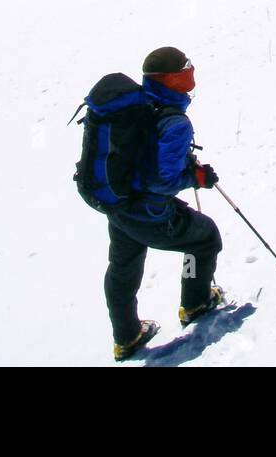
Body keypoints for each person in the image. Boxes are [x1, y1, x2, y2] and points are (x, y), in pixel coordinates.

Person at [74, 46, 224, 361]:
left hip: (118, 206)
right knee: (204, 238)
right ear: (171, 79)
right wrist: (195, 178)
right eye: (186, 70)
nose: (191, 73)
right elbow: (161, 180)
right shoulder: (173, 122)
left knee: (122, 269)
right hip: (151, 214)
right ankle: (196, 302)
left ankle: (127, 336)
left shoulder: (138, 107)